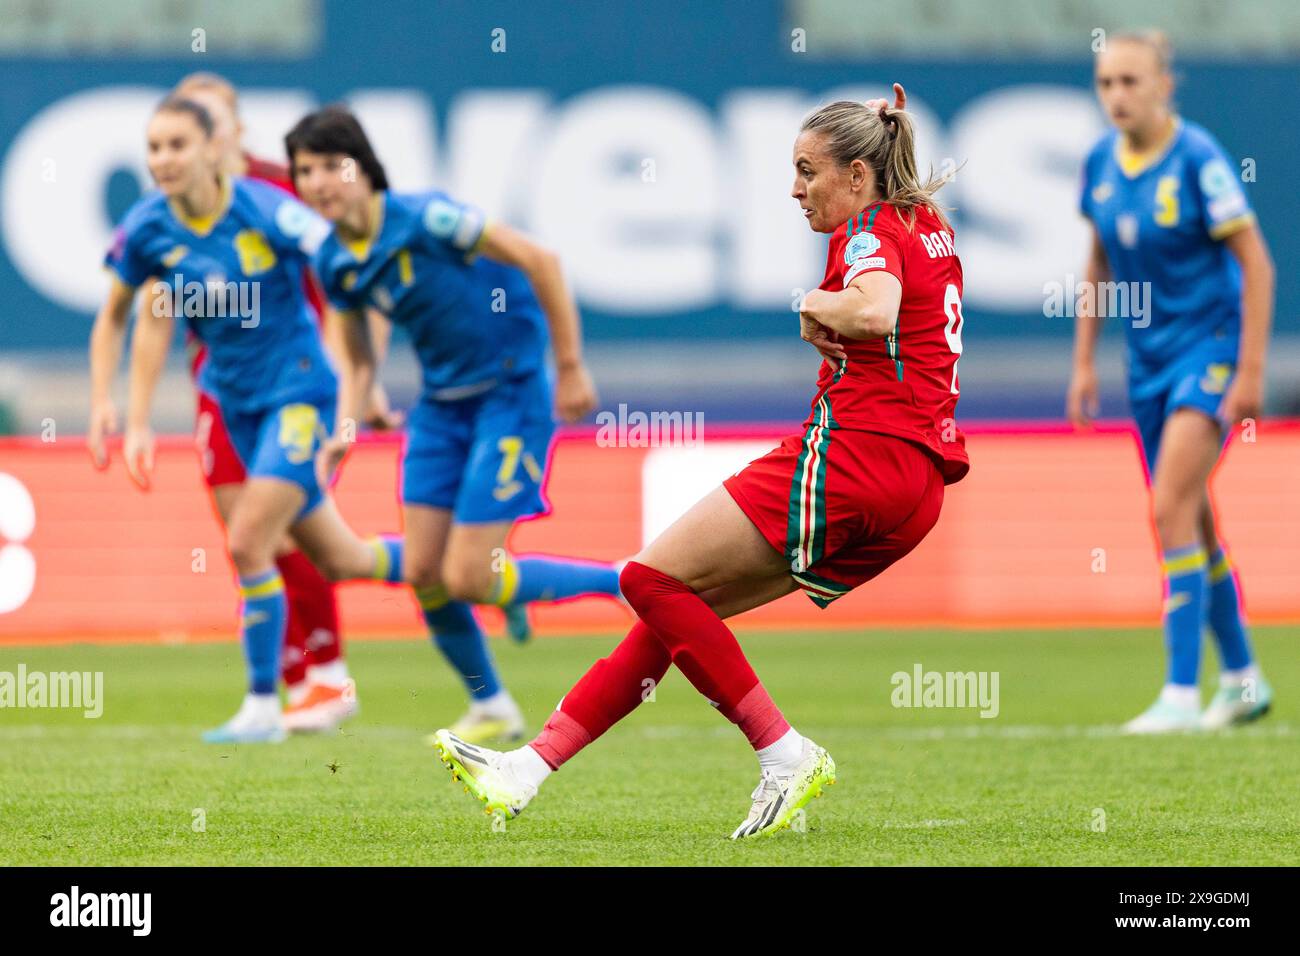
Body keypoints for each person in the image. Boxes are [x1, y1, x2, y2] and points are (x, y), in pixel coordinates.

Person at [433, 89, 969, 838]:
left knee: (645, 578)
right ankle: (528, 768)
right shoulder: (928, 225)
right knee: (680, 611)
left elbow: (874, 310)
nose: (793, 188)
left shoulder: (870, 230)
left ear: (856, 174)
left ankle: (783, 753)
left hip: (857, 452)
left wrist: (813, 301)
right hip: (918, 484)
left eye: (806, 170)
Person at [285, 106, 625, 744]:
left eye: (332, 165)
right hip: (442, 406)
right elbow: (359, 359)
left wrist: (571, 366)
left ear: (363, 165)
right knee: (422, 571)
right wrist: (348, 428)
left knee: (469, 576)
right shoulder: (334, 263)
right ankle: (492, 704)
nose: (319, 182)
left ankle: (619, 580)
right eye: (305, 171)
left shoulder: (428, 219)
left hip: (511, 393)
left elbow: (541, 260)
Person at [94, 95, 406, 743]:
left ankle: (268, 703)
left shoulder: (267, 206)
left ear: (215, 146)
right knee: (338, 555)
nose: (163, 160)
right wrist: (114, 406)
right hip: (229, 400)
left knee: (246, 541)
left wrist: (360, 382)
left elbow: (344, 262)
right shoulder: (149, 226)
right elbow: (122, 314)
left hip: (298, 394)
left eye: (177, 145)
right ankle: (445, 569)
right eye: (153, 148)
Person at [1069, 31, 1275, 733]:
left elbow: (1258, 264)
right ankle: (1244, 679)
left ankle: (1181, 694)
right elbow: (1097, 265)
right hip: (1147, 365)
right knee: (1193, 517)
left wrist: (1249, 370)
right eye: (1106, 84)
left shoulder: (1198, 160)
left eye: (1131, 81)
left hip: (1207, 352)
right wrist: (1083, 361)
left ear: (1164, 84)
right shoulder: (1100, 162)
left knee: (1166, 510)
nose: (1117, 96)